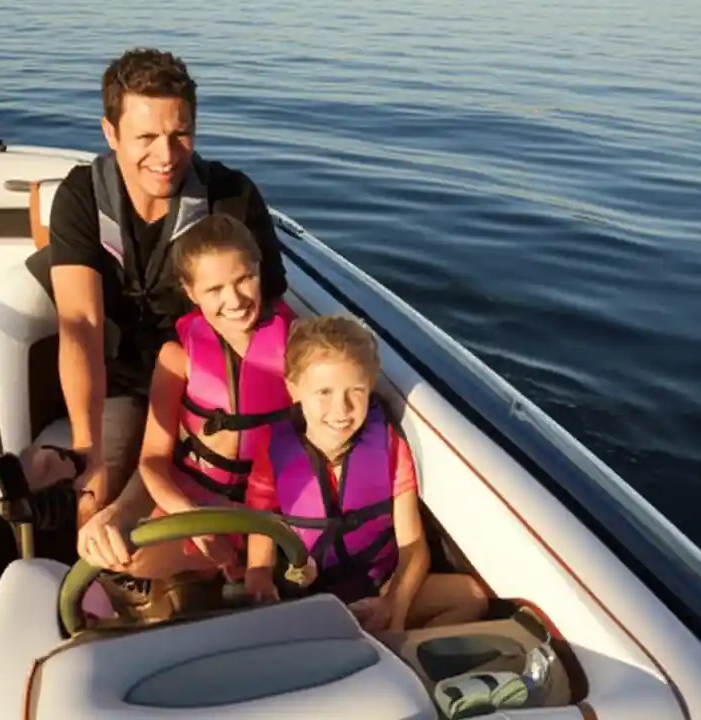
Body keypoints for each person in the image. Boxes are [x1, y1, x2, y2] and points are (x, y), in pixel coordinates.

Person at [24, 47, 288, 574]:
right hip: (117, 383)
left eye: (180, 133)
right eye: (145, 137)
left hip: (203, 389)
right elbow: (81, 324)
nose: (166, 155)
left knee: (141, 526)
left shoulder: (230, 198)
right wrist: (87, 450)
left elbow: (265, 321)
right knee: (70, 495)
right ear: (111, 132)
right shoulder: (81, 197)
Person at [244, 315, 488, 633]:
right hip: (310, 595)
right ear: (294, 389)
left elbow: (413, 545)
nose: (341, 409)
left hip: (380, 584)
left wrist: (395, 603)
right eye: (324, 392)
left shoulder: (389, 446)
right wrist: (261, 578)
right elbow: (261, 535)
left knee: (471, 596)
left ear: (370, 386)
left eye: (355, 391)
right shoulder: (273, 451)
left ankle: (399, 647)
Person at [124, 213, 294, 582]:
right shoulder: (175, 357)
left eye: (244, 278)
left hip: (274, 506)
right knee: (133, 565)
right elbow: (152, 462)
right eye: (215, 289)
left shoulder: (298, 348)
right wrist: (195, 523)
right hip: (197, 499)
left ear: (259, 268)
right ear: (190, 291)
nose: (234, 299)